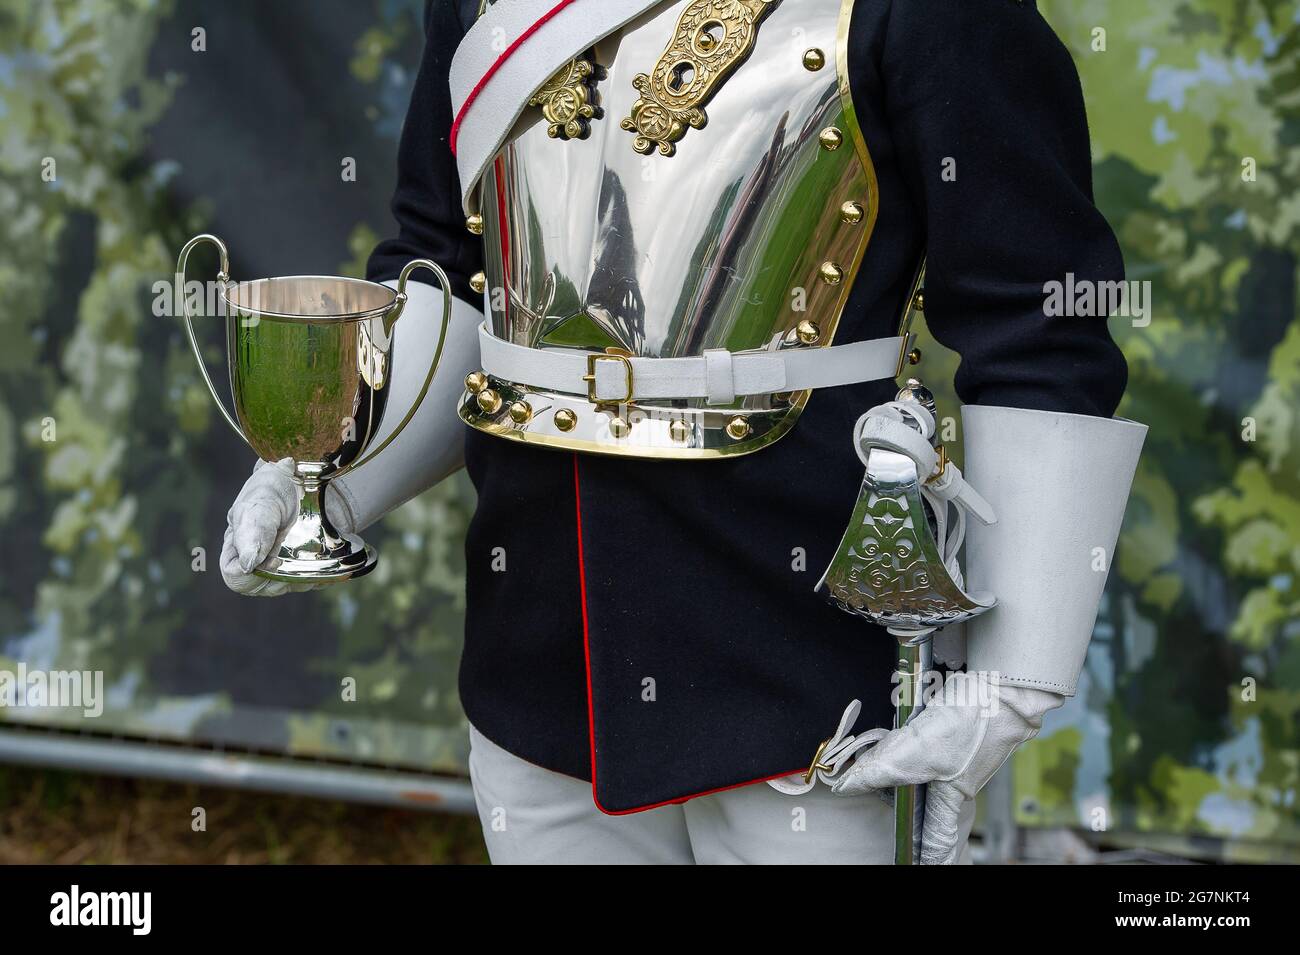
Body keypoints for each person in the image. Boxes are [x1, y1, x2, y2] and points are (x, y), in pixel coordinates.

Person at [220, 0, 1145, 864]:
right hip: (539, 661)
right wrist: (326, 477)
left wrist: (1011, 681)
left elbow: (1039, 326)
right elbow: (455, 270)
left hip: (815, 681)